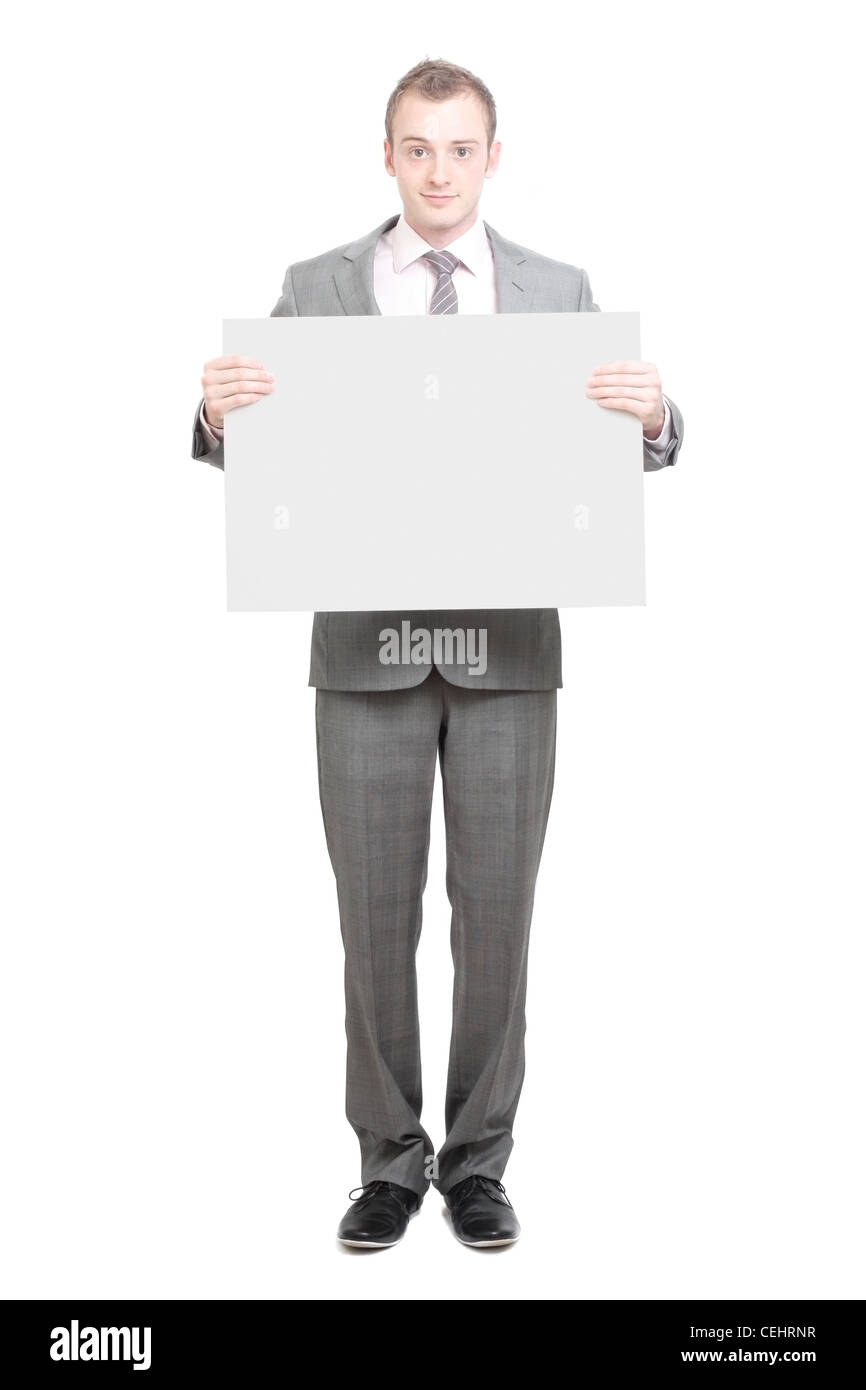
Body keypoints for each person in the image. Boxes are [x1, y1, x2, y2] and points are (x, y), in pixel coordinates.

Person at [190, 58, 685, 1250]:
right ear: (387, 155)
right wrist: (215, 416)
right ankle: (385, 1160)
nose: (439, 171)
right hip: (362, 652)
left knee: (497, 918)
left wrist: (655, 417)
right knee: (371, 919)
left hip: (509, 650)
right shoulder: (315, 288)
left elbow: (628, 457)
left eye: (460, 149)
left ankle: (476, 1162)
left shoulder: (555, 290)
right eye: (417, 148)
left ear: (491, 157)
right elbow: (255, 456)